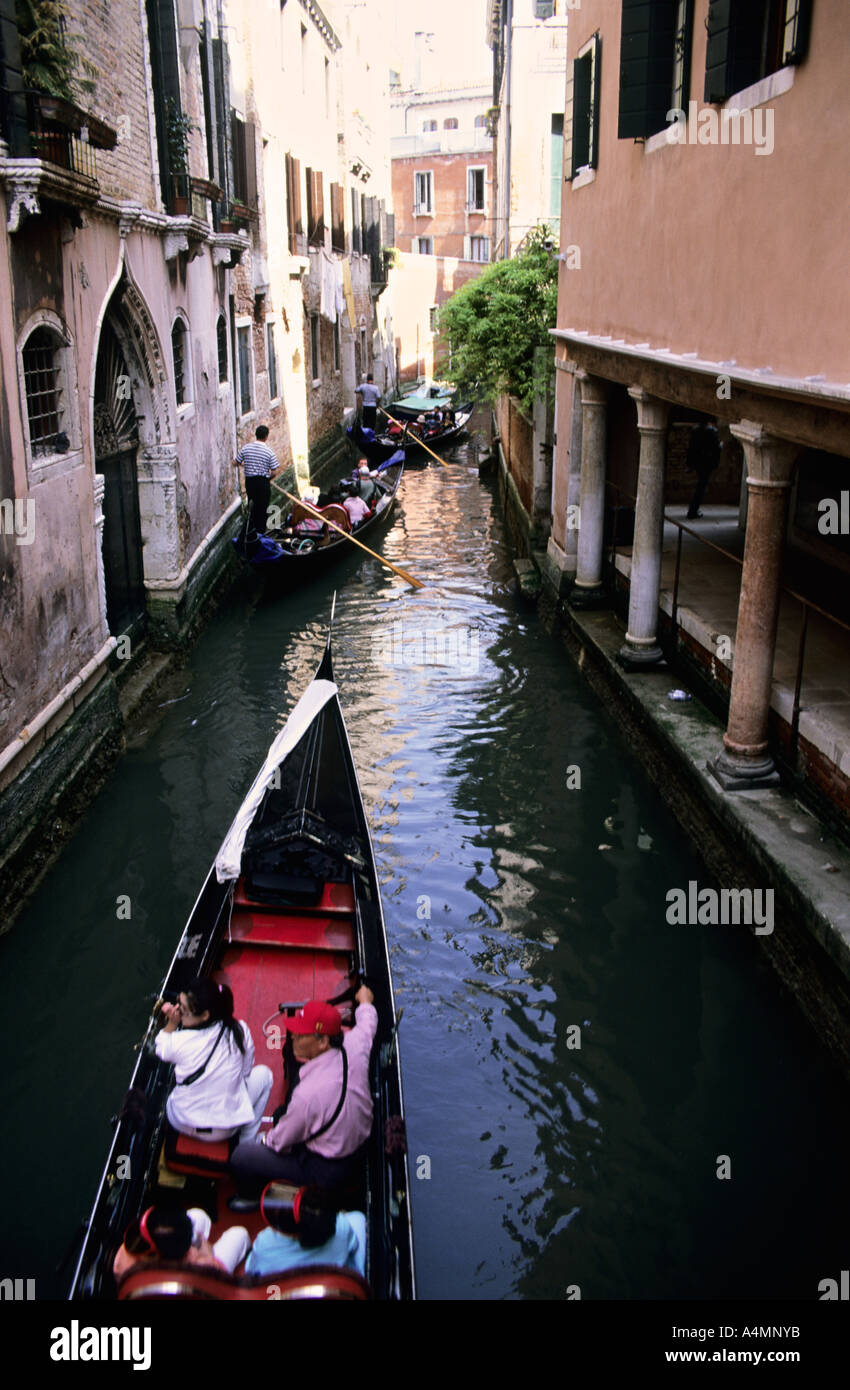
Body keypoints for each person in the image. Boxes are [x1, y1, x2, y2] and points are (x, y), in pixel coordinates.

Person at [228, 986, 377, 1210]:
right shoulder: (356, 1043)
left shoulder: (308, 1096)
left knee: (242, 1156)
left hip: (326, 1168)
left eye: (301, 1034)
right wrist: (365, 1000)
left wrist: (263, 1140)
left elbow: (279, 1142)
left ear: (323, 1042)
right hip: (357, 1146)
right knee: (281, 1115)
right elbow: (368, 1022)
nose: (293, 1037)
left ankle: (253, 1196)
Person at [156, 978, 273, 1143]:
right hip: (225, 1130)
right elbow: (246, 1073)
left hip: (180, 1120)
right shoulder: (241, 1030)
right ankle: (248, 1141)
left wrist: (171, 1024)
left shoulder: (178, 1040)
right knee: (265, 1075)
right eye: (178, 1005)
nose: (178, 1011)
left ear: (205, 1015)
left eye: (183, 1010)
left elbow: (161, 1047)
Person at [245, 1183, 366, 1278]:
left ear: (291, 1234)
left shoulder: (265, 1243)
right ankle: (363, 1276)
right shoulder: (342, 1226)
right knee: (357, 1218)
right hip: (335, 1282)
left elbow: (251, 1269)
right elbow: (353, 1244)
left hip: (289, 1291)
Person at [113, 1206, 250, 1283]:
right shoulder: (195, 1267)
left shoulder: (129, 1249)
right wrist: (201, 1247)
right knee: (239, 1234)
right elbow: (209, 1260)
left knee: (198, 1215)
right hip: (197, 1280)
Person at [234, 425, 280, 533]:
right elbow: (274, 472)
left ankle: (251, 531)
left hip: (250, 483)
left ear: (256, 435)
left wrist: (244, 464)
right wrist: (267, 479)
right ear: (266, 436)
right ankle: (260, 533)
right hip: (262, 483)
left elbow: (235, 462)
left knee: (252, 506)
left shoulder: (246, 448)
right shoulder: (269, 452)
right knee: (262, 509)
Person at [685, 420, 720, 519]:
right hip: (706, 464)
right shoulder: (712, 433)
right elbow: (716, 449)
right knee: (701, 487)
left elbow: (691, 449)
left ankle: (693, 509)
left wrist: (689, 464)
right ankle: (692, 511)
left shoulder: (696, 431)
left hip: (698, 463)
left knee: (700, 486)